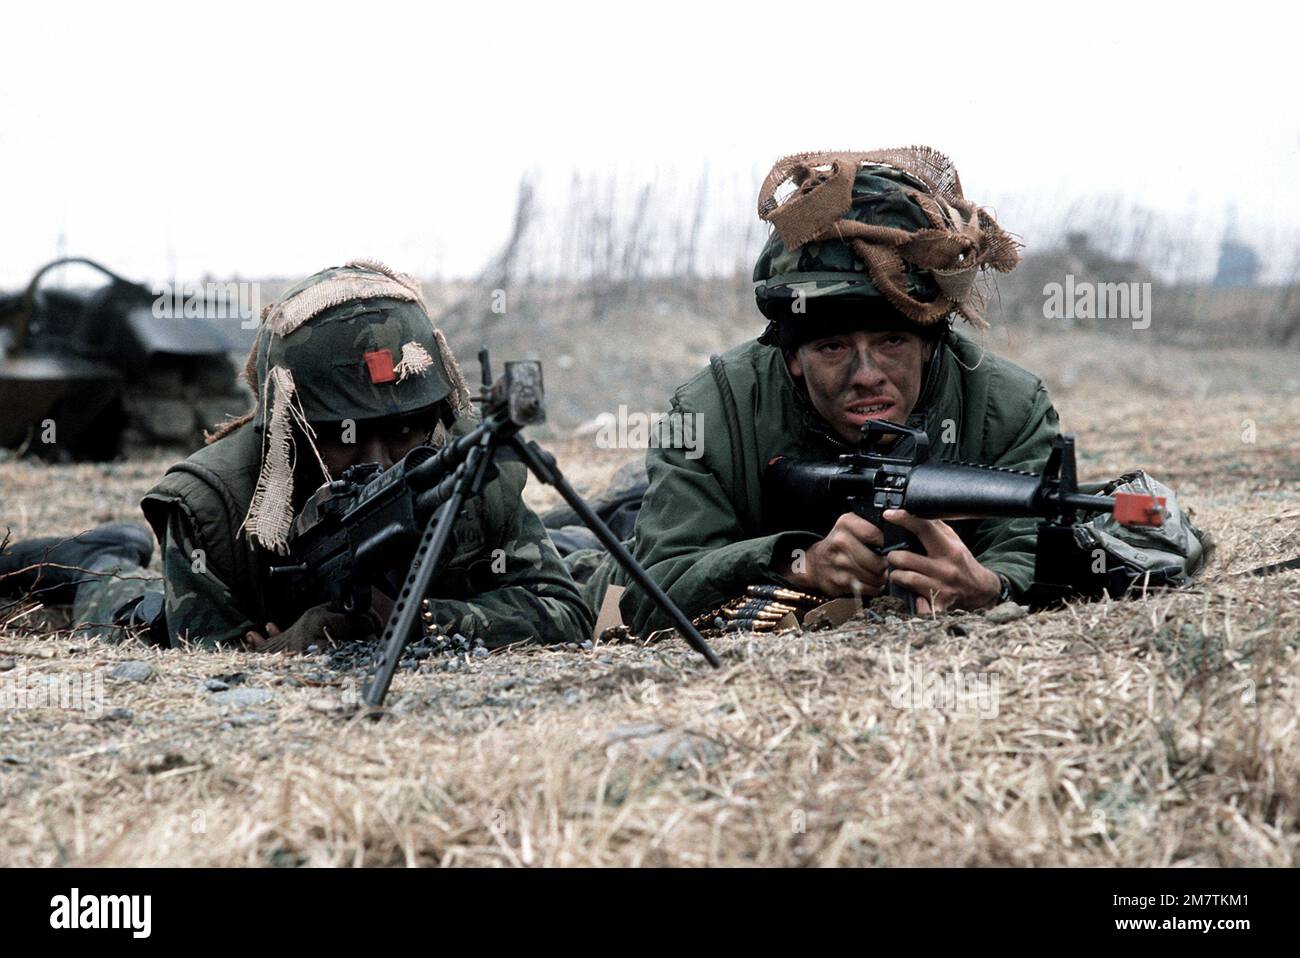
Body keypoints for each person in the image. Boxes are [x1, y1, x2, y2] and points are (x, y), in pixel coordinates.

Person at [1, 260, 593, 652]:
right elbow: (211, 661)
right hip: (208, 590)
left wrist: (427, 620)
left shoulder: (465, 461)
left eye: (406, 430)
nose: (382, 461)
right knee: (136, 608)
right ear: (289, 425)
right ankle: (100, 554)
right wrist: (298, 645)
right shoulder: (215, 503)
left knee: (578, 550)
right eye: (344, 435)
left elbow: (563, 609)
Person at [607, 148, 1057, 633]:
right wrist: (797, 563)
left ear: (929, 343)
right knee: (607, 533)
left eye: (890, 341)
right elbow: (653, 591)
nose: (866, 374)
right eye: (832, 347)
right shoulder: (713, 412)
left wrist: (994, 588)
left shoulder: (1006, 406)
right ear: (792, 357)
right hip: (642, 532)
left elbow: (1036, 545)